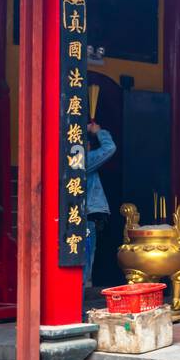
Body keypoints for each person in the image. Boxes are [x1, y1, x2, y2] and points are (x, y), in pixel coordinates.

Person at [84, 120, 116, 289]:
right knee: (85, 260)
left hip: (77, 216)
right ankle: (77, 304)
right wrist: (99, 131)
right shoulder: (83, 160)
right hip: (86, 217)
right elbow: (109, 148)